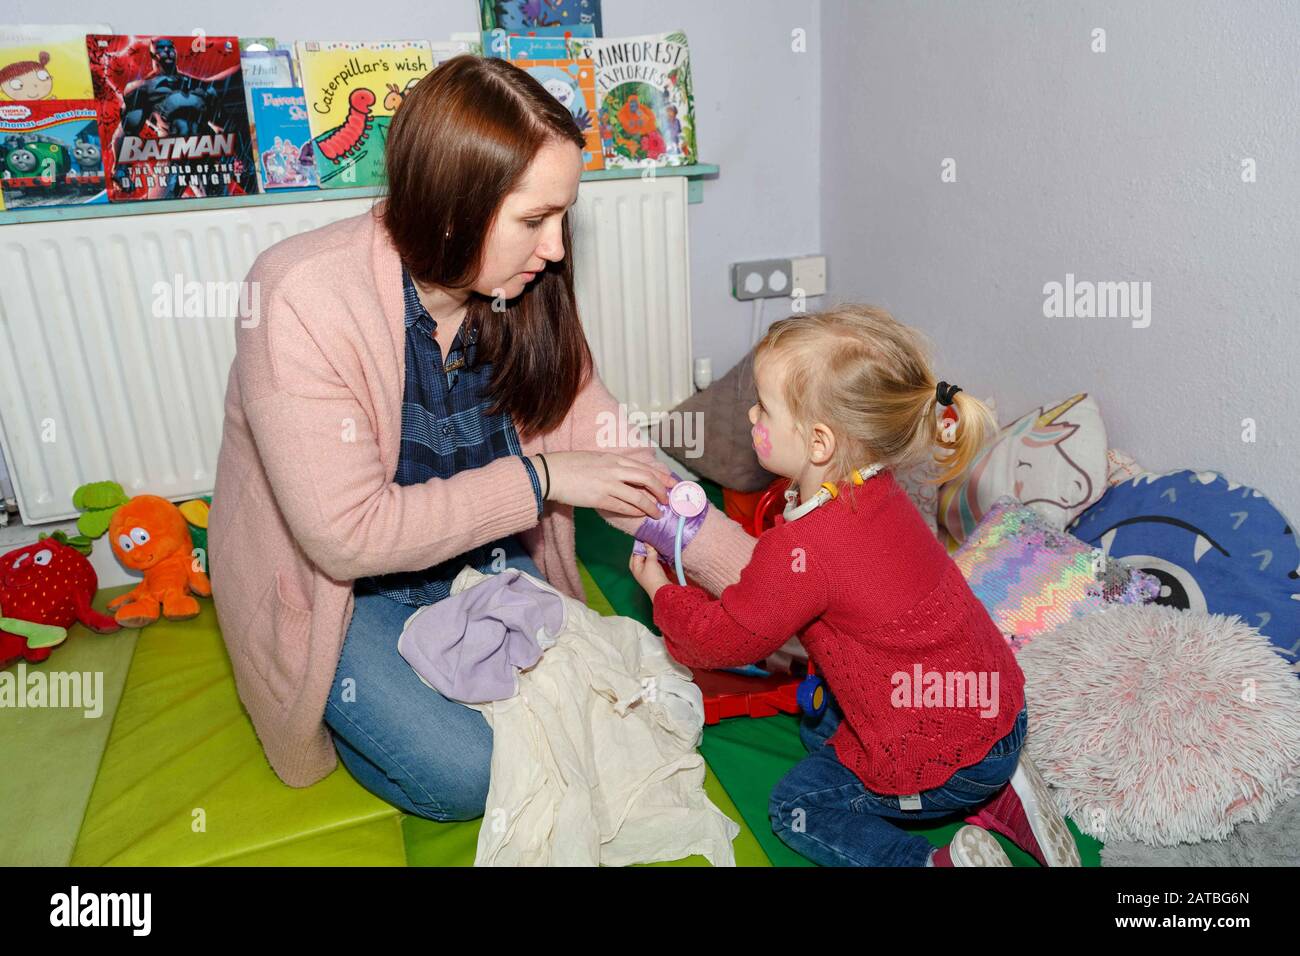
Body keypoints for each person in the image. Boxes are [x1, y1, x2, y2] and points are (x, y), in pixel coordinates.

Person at [209, 56, 755, 817]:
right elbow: (345, 539)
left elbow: (627, 470)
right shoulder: (298, 295)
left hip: (478, 565)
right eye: (534, 220)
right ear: (450, 208)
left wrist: (773, 591)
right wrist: (543, 479)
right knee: (474, 774)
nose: (559, 248)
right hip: (343, 592)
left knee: (607, 711)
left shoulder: (523, 296)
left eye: (564, 216)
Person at [631, 304, 1081, 867]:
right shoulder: (880, 491)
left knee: (798, 806)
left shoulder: (804, 548)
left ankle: (930, 863)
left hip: (951, 759)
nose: (751, 416)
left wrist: (662, 593)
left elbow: (724, 641)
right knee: (822, 727)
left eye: (764, 408)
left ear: (819, 444)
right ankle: (1007, 793)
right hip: (1003, 715)